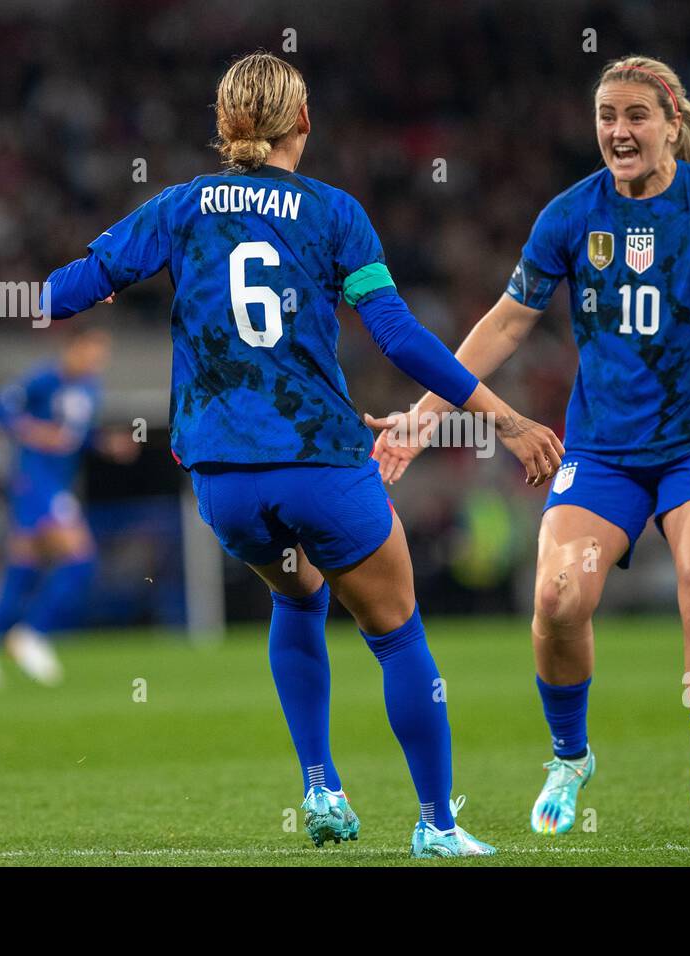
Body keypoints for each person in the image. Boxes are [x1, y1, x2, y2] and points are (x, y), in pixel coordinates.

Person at [38, 52, 563, 858]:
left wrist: (73, 290)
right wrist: (502, 417)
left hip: (222, 484)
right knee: (394, 633)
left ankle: (320, 784)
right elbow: (397, 336)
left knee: (297, 596)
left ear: (224, 127)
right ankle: (437, 824)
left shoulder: (180, 207)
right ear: (303, 122)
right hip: (318, 459)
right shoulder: (334, 214)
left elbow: (65, 293)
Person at [373, 55, 690, 840]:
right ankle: (570, 756)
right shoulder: (569, 215)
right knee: (558, 600)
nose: (618, 132)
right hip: (605, 449)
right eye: (606, 117)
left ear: (670, 123)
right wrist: (427, 414)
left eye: (634, 117)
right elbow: (506, 321)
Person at [0, 324, 136, 690]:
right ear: (74, 347)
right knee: (81, 558)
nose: (100, 358)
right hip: (35, 482)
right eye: (94, 349)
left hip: (55, 484)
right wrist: (34, 431)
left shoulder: (90, 388)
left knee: (24, 567)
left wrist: (104, 444)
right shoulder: (44, 379)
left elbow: (74, 437)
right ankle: (31, 634)